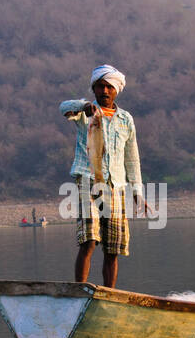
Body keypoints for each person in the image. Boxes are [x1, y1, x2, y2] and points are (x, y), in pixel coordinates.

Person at [60, 65, 144, 288]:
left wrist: (137, 190)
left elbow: (132, 158)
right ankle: (80, 289)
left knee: (113, 247)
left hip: (115, 184)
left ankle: (109, 294)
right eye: (100, 86)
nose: (104, 91)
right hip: (88, 178)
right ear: (94, 89)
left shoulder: (126, 119)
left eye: (109, 87)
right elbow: (63, 107)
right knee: (89, 238)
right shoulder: (85, 114)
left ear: (116, 90)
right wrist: (84, 106)